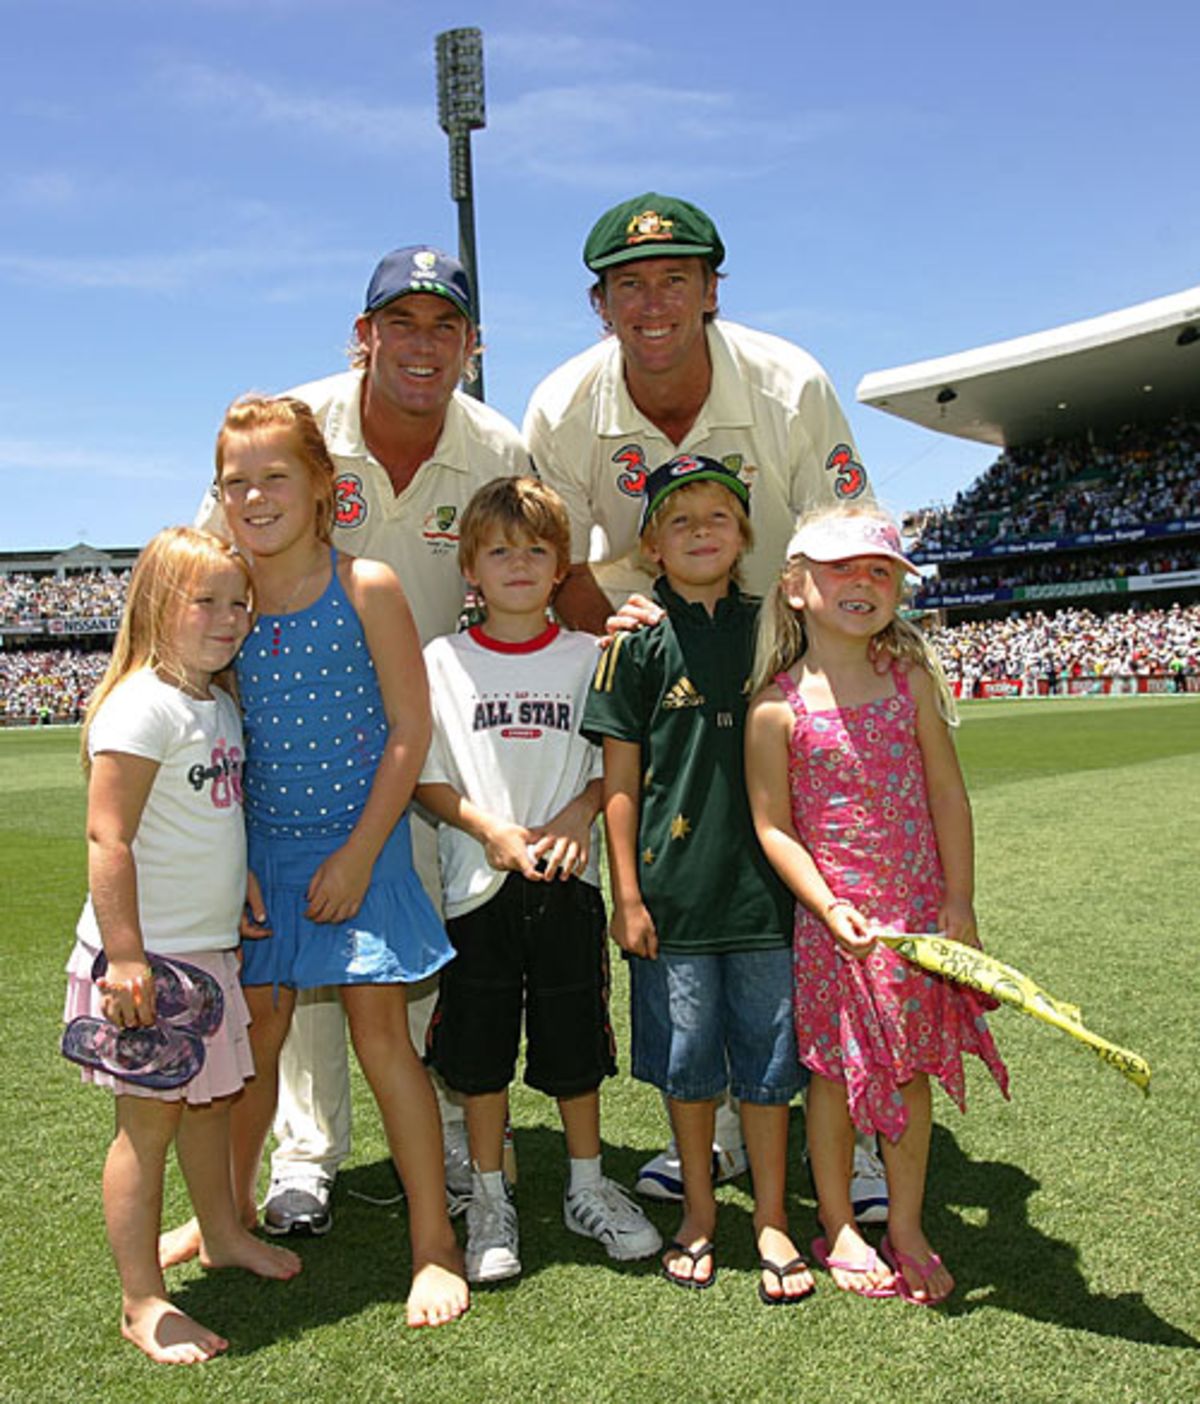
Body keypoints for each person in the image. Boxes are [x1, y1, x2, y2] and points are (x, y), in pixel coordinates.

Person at [525, 191, 885, 1215]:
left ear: (712, 290)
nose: (654, 302)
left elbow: (851, 532)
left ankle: (849, 1133)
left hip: (802, 660)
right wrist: (644, 633)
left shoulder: (788, 381)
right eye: (630, 285)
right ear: (600, 305)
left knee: (824, 900)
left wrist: (819, 663)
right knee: (709, 884)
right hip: (680, 660)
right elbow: (554, 559)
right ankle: (726, 1130)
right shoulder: (560, 405)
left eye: (675, 279)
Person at [197, 246, 529, 1235]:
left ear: (470, 346)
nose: (421, 345)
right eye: (401, 323)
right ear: (363, 336)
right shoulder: (290, 429)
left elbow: (537, 555)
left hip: (419, 747)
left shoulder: (497, 441)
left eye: (443, 327)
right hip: (289, 773)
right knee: (287, 996)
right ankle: (305, 1160)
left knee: (404, 975)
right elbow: (201, 569)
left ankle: (469, 1166)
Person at [179, 395, 469, 1326]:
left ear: (322, 491)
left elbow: (408, 732)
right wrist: (241, 864)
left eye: (275, 477)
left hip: (364, 848)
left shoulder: (367, 587)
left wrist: (356, 855)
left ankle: (435, 1245)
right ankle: (219, 1217)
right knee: (252, 1040)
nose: (254, 496)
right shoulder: (223, 603)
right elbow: (217, 736)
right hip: (260, 857)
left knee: (384, 1037)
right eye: (236, 482)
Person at [745, 505, 1010, 1304]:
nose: (863, 583)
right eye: (841, 568)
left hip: (917, 921)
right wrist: (827, 906)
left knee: (909, 1075)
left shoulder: (912, 683)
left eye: (881, 571)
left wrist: (958, 900)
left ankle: (906, 1221)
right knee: (833, 1079)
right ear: (795, 587)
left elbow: (947, 794)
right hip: (837, 931)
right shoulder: (776, 708)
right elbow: (773, 828)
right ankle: (840, 1222)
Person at [62, 527, 301, 1365]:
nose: (230, 618)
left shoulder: (216, 700)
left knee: (211, 1105)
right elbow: (108, 837)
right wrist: (124, 955)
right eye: (208, 601)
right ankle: (142, 1300)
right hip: (149, 961)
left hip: (206, 952)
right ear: (159, 603)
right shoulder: (140, 703)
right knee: (148, 1127)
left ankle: (222, 1232)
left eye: (241, 602)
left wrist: (235, 885)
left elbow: (207, 813)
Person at [416, 476, 661, 1283]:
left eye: (535, 550)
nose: (517, 564)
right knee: (478, 1056)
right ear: (470, 569)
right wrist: (488, 828)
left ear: (562, 566)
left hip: (568, 884)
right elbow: (423, 777)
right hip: (476, 889)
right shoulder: (441, 662)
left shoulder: (591, 656)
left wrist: (578, 815)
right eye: (498, 551)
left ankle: (587, 1184)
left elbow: (617, 765)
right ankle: (489, 1195)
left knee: (573, 1047)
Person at [582, 454, 814, 1304]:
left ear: (745, 535)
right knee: (689, 1068)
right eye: (680, 521)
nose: (702, 533)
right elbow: (617, 781)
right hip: (671, 897)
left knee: (768, 1063)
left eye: (718, 518)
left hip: (769, 894)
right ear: (652, 545)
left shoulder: (777, 630)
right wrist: (627, 895)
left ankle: (773, 1219)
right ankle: (701, 1216)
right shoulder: (634, 642)